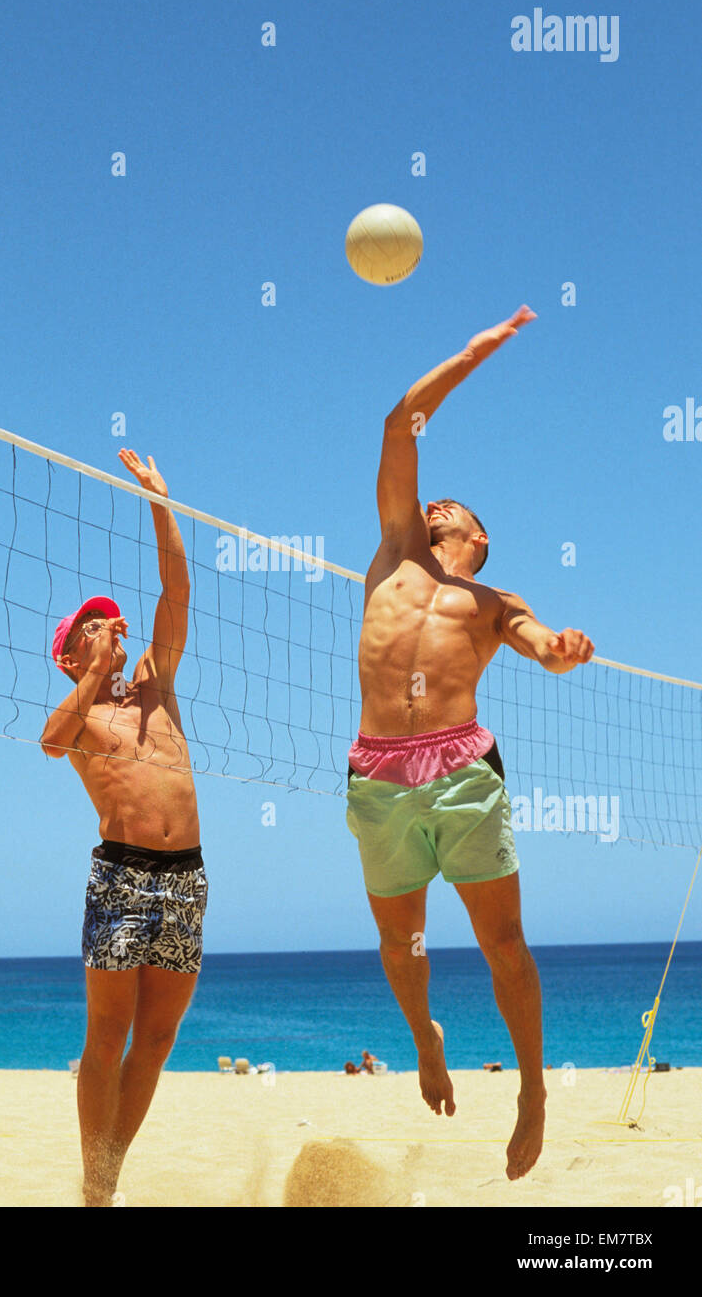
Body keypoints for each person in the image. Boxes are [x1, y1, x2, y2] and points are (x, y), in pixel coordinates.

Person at [346, 306, 594, 1180]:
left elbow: (543, 649)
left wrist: (560, 653)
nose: (438, 501)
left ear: (478, 541)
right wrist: (474, 351)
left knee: (503, 945)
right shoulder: (394, 550)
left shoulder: (493, 603)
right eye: (434, 500)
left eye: (456, 507)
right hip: (376, 776)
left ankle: (531, 1087)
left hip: (459, 769)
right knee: (398, 948)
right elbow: (398, 422)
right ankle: (424, 1037)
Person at [40, 449, 206, 1208]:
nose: (109, 629)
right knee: (106, 1038)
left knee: (159, 1042)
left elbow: (176, 587)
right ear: (71, 651)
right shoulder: (81, 716)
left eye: (110, 623)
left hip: (186, 878)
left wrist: (159, 501)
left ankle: (110, 1172)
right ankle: (94, 1183)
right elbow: (49, 743)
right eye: (92, 628)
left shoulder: (155, 685)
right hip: (121, 875)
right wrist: (87, 675)